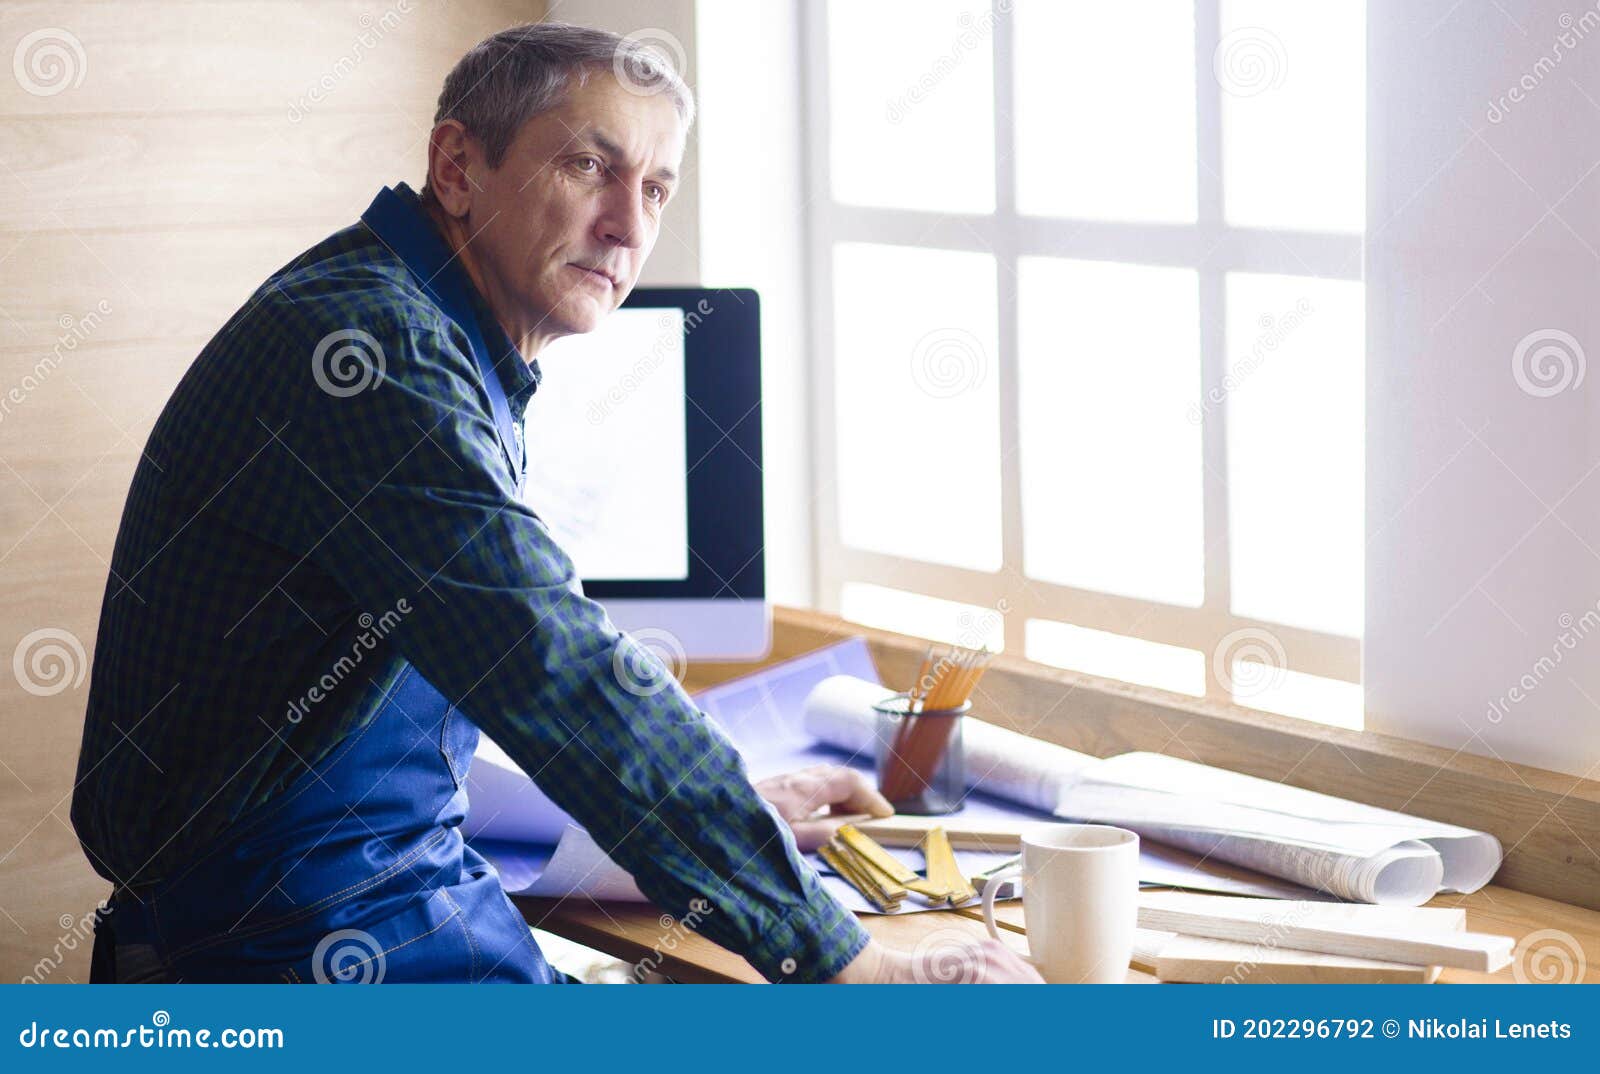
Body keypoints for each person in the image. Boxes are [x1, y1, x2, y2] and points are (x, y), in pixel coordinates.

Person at [72, 21, 1040, 985]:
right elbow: (554, 667)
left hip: (380, 907)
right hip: (292, 951)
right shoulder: (372, 352)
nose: (628, 225)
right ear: (457, 167)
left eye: (655, 187)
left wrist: (725, 825)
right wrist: (848, 961)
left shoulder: (430, 322)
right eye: (589, 166)